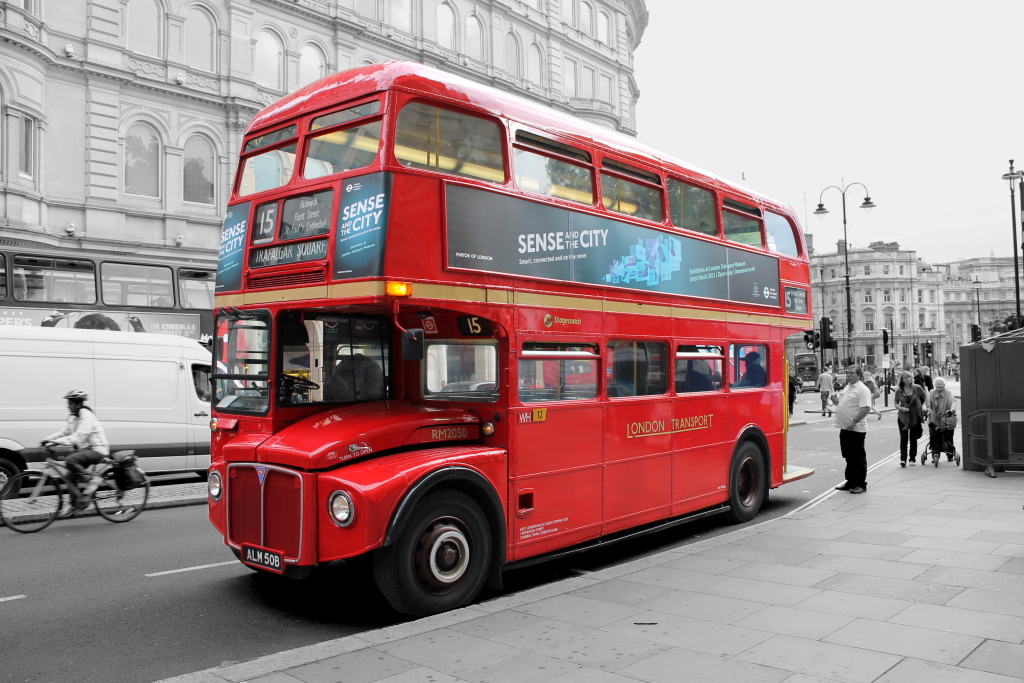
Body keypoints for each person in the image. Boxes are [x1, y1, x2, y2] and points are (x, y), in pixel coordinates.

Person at [42, 390, 110, 508]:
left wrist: (55, 442)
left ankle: (92, 480)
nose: (68, 406)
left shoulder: (87, 416)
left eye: (70, 403)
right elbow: (64, 431)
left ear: (78, 404)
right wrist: (49, 439)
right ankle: (75, 506)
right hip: (86, 450)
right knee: (70, 477)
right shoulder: (73, 417)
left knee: (70, 460)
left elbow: (79, 437)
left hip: (98, 450)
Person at [833, 365, 872, 494]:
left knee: (857, 457)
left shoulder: (862, 389)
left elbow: (866, 408)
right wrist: (835, 402)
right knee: (849, 456)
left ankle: (860, 484)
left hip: (855, 429)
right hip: (845, 428)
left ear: (859, 375)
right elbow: (844, 404)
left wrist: (854, 422)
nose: (848, 375)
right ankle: (850, 481)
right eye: (847, 373)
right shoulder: (848, 387)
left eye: (851, 373)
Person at [894, 370, 926, 466]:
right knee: (903, 438)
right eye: (906, 377)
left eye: (910, 377)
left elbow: (925, 395)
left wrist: (924, 406)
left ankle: (912, 458)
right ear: (902, 380)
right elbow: (895, 403)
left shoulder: (917, 388)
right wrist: (901, 408)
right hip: (902, 417)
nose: (909, 379)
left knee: (913, 438)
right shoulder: (899, 391)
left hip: (914, 416)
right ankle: (903, 459)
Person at [927, 377, 958, 463]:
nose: (938, 388)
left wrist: (952, 410)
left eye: (940, 386)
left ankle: (950, 455)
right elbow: (927, 404)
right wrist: (928, 409)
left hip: (946, 420)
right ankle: (935, 455)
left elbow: (953, 402)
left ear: (944, 386)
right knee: (934, 438)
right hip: (934, 420)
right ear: (934, 386)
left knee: (948, 437)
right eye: (937, 386)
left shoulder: (948, 393)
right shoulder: (931, 393)